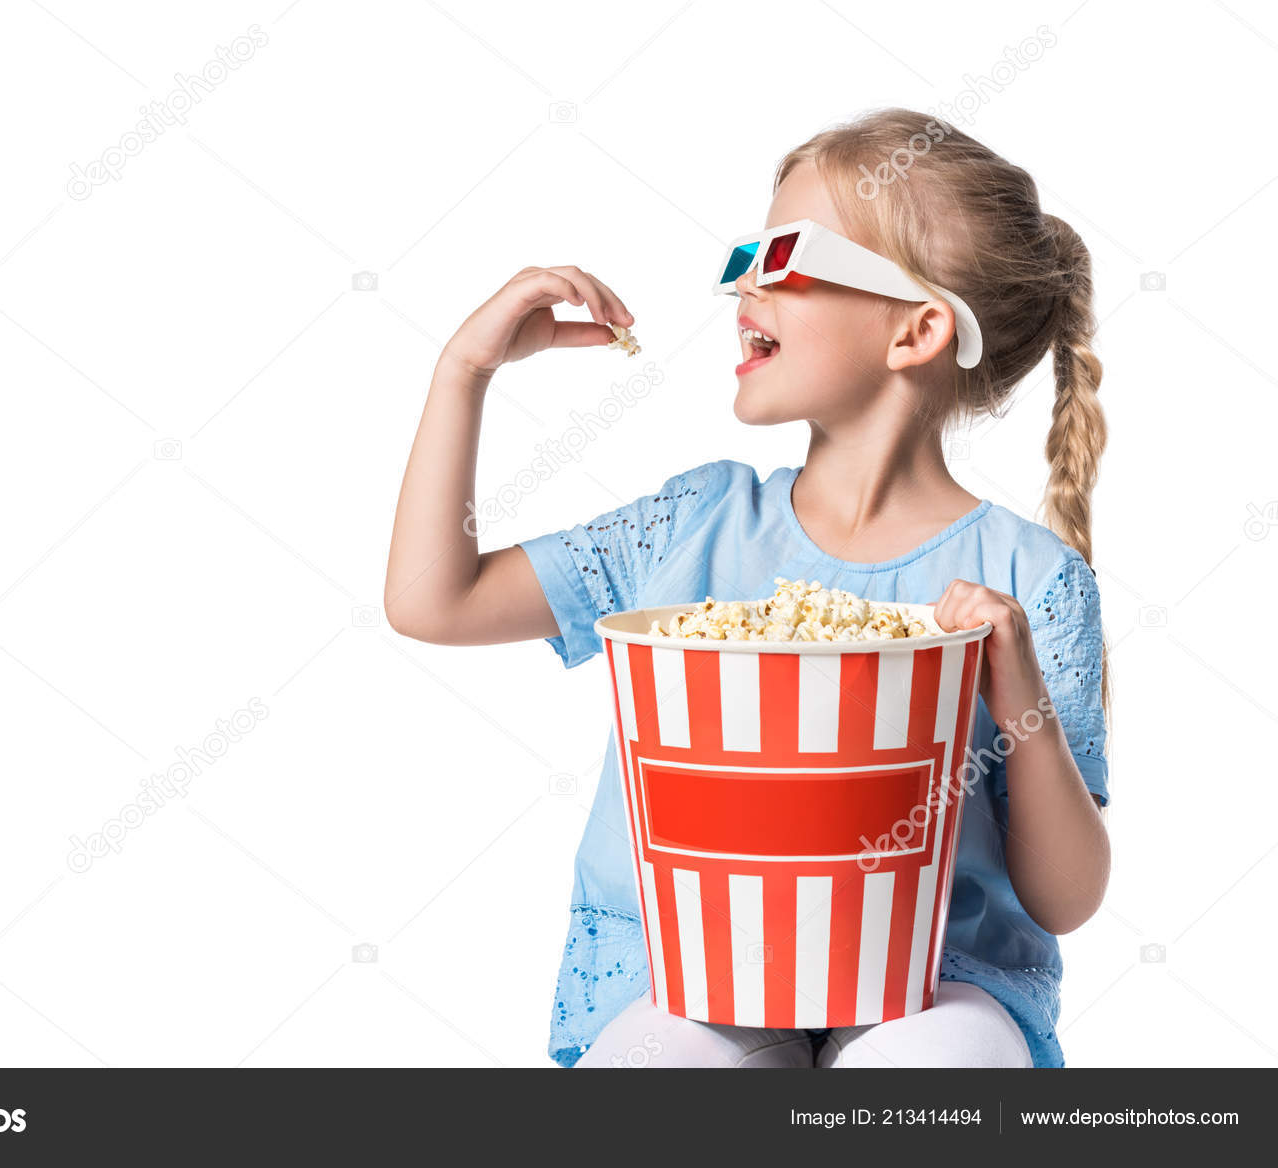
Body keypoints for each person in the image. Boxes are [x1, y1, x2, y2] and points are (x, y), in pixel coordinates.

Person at [384, 109, 1110, 1068]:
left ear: (918, 329)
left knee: (940, 1066)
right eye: (746, 256)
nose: (743, 284)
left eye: (785, 257)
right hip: (681, 973)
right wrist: (464, 372)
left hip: (937, 982)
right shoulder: (693, 525)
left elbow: (1066, 896)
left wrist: (1020, 700)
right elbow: (434, 601)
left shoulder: (1032, 581)